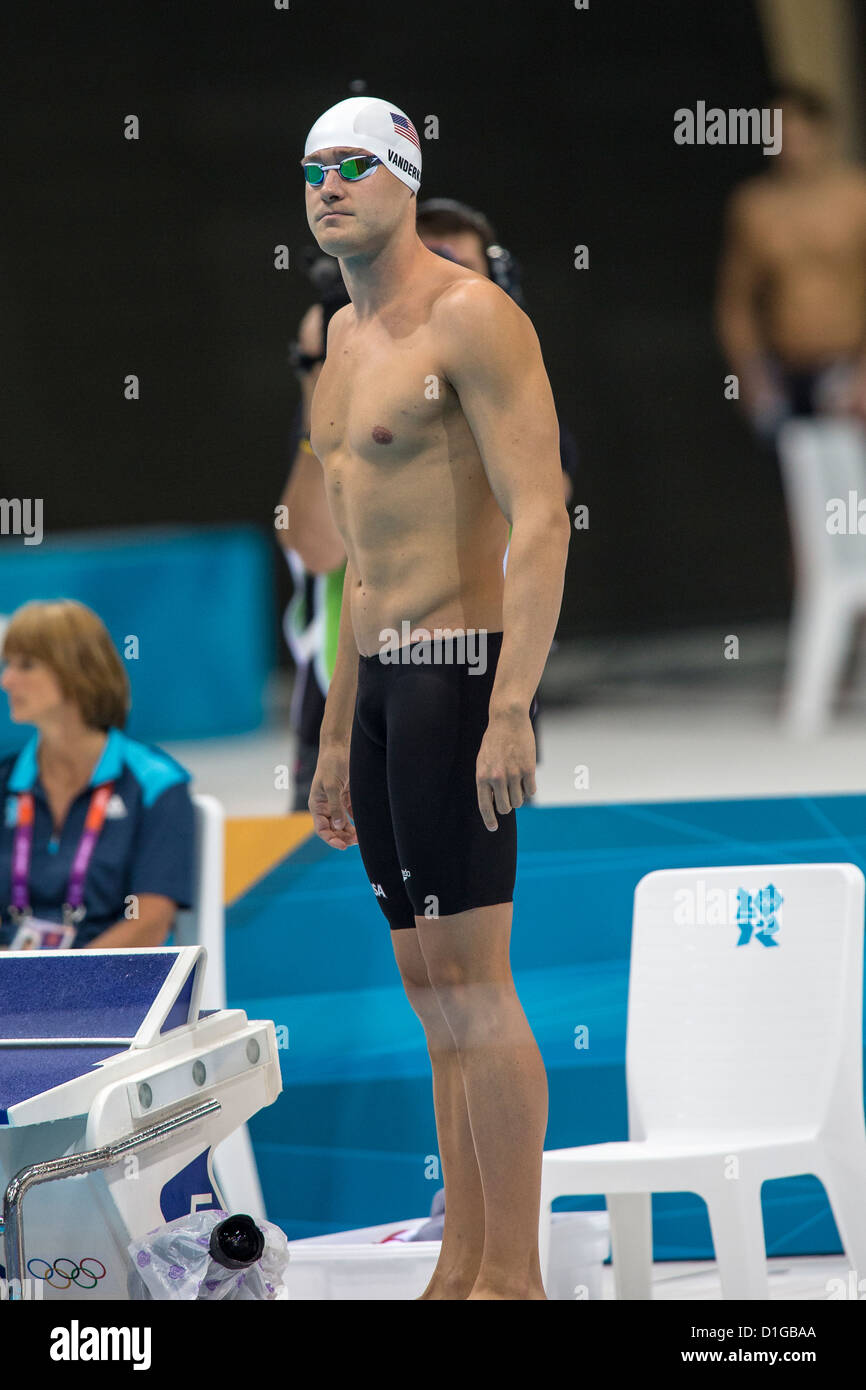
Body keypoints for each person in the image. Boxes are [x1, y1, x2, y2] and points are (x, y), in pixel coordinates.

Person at [301, 96, 571, 1300]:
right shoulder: (344, 347)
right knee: (430, 996)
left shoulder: (473, 318)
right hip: (378, 698)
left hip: (462, 679)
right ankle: (458, 1263)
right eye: (311, 170)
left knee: (477, 985)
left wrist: (513, 700)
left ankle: (512, 1274)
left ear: (407, 176)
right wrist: (328, 733)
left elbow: (543, 514)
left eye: (353, 166)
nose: (327, 186)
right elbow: (353, 557)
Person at [0, 599, 195, 949]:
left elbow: (149, 922)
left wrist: (60, 985)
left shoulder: (156, 784)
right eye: (7, 665)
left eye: (25, 665)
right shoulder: (6, 782)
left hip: (112, 993)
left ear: (76, 672)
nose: (6, 680)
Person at [715, 83, 866, 440]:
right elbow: (735, 304)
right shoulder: (754, 207)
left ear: (822, 134)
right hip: (785, 373)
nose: (790, 148)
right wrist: (753, 381)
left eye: (799, 136)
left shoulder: (856, 197)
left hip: (849, 365)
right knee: (803, 484)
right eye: (779, 136)